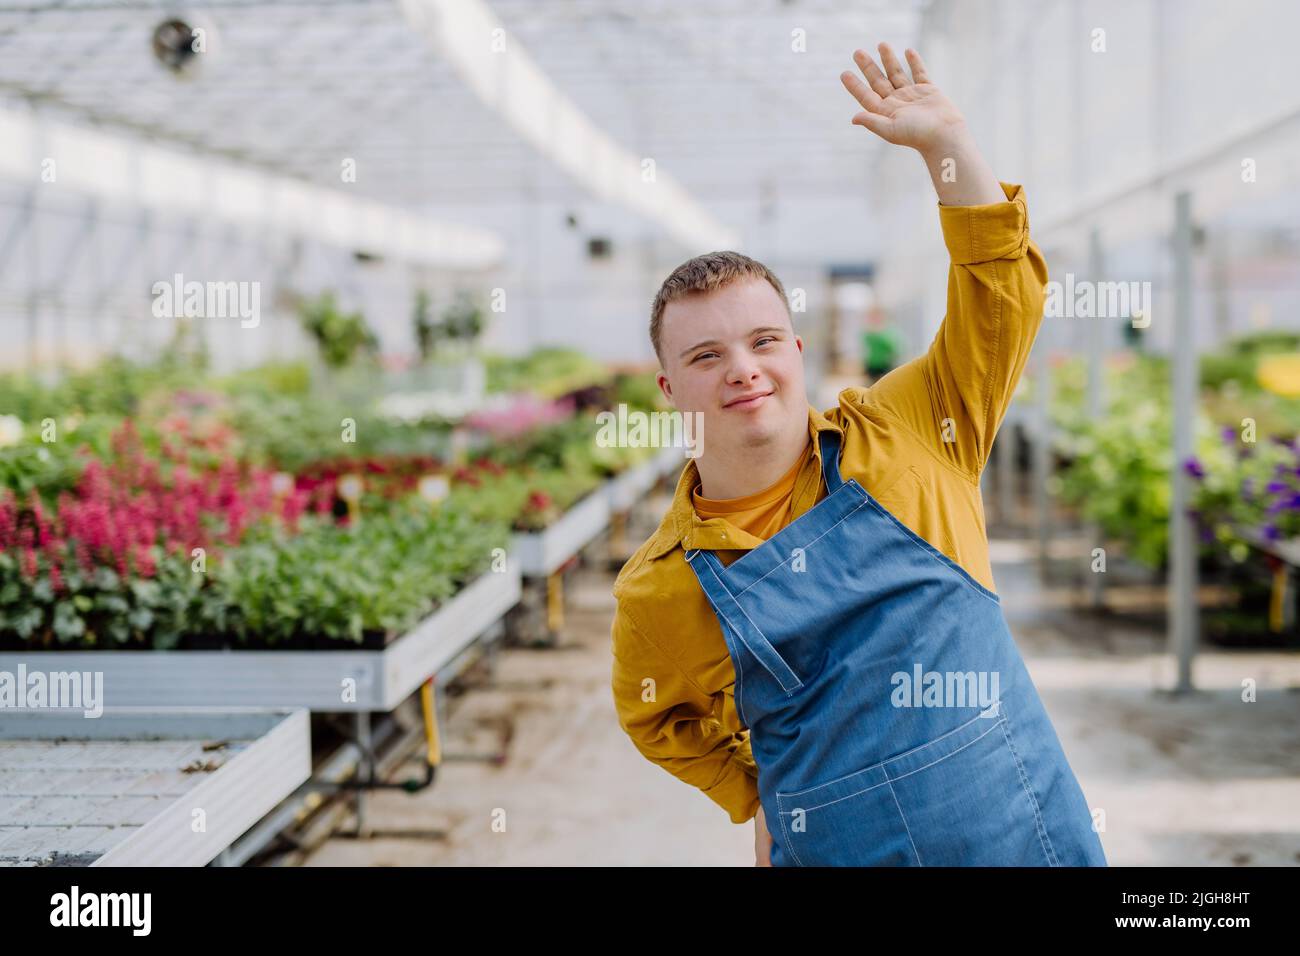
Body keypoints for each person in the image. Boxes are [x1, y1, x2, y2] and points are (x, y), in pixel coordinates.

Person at [610, 43, 1106, 867]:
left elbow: (1000, 294)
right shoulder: (662, 589)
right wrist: (759, 794)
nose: (744, 368)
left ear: (797, 349)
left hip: (1024, 839)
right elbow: (658, 719)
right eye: (706, 356)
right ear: (668, 388)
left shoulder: (914, 426)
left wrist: (949, 149)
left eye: (764, 339)